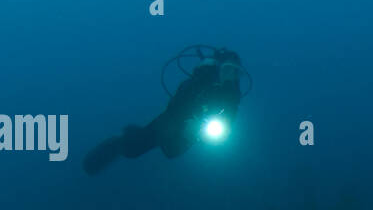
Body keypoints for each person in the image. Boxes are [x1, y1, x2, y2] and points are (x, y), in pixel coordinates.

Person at [83, 45, 250, 174]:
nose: (231, 75)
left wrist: (220, 129)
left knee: (172, 152)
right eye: (227, 69)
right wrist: (190, 119)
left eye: (236, 72)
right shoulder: (203, 79)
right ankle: (120, 140)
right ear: (219, 68)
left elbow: (230, 115)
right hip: (174, 119)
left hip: (199, 130)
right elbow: (179, 100)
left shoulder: (233, 93)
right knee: (135, 149)